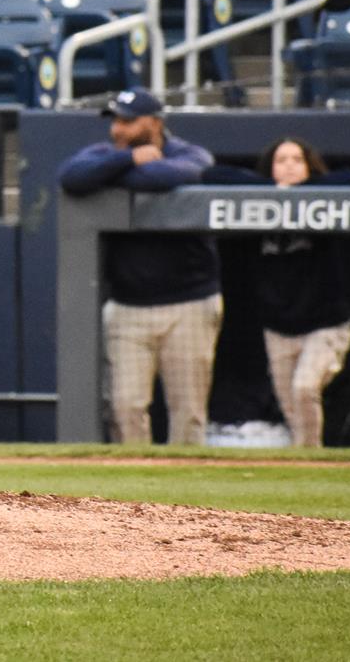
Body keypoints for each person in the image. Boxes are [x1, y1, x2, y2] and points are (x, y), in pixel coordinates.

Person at [57, 88, 219, 445]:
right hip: (129, 305)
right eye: (116, 120)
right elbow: (71, 176)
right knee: (125, 408)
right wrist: (129, 160)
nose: (119, 129)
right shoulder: (111, 154)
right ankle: (135, 498)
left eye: (128, 121)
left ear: (156, 123)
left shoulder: (188, 152)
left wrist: (115, 175)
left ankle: (189, 498)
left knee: (188, 411)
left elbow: (174, 175)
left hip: (189, 302)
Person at [206, 139, 350, 447]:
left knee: (305, 388)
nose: (289, 165)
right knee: (290, 404)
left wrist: (300, 191)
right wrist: (270, 190)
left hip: (325, 323)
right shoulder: (259, 198)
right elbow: (212, 175)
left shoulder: (325, 197)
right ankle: (304, 463)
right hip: (277, 326)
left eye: (296, 159)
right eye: (281, 160)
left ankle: (312, 461)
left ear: (308, 166)